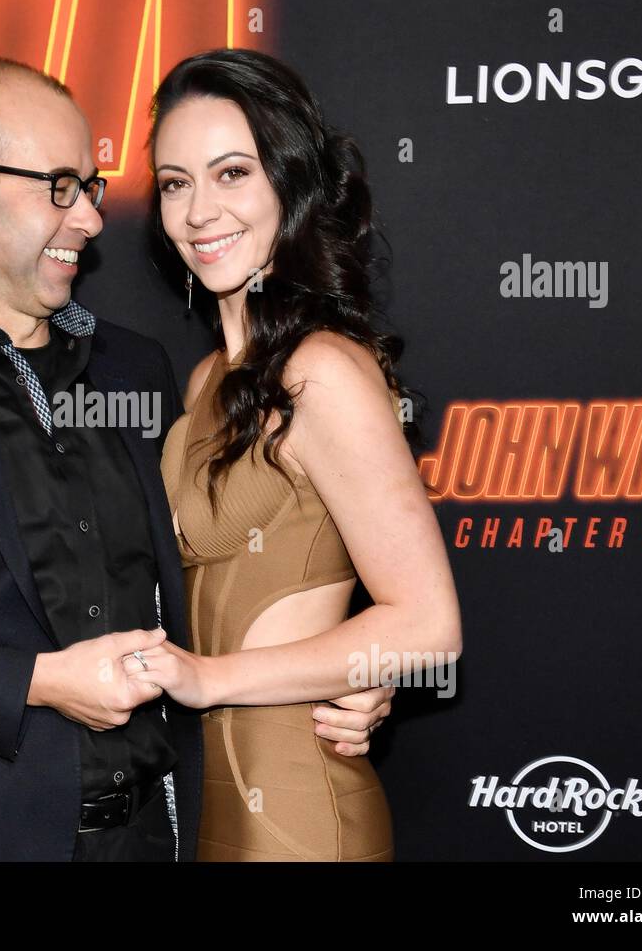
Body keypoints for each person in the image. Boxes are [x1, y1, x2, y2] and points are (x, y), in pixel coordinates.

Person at [0, 55, 394, 861]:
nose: (91, 220)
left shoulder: (139, 369)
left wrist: (351, 670)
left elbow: (230, 576)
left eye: (90, 187)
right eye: (59, 186)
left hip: (172, 836)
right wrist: (36, 680)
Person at [127, 49, 462, 861]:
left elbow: (428, 628)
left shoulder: (322, 370)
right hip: (205, 804)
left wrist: (207, 678)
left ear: (290, 182)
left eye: (231, 172)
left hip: (301, 815)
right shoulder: (209, 378)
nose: (199, 211)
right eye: (175, 183)